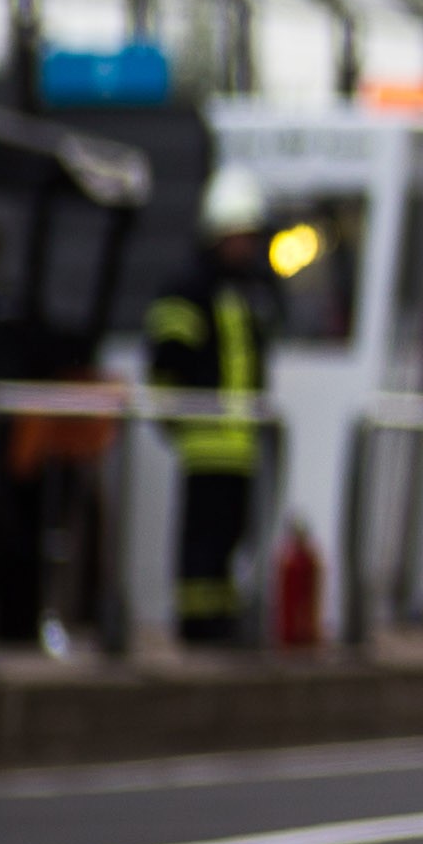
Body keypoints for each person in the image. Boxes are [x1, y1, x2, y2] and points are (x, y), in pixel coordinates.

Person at [145, 168, 276, 648]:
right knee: (203, 537)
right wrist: (171, 416)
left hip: (240, 441)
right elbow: (168, 358)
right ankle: (197, 625)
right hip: (204, 440)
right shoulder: (189, 289)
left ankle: (222, 619)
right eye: (239, 236)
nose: (245, 245)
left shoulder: (245, 290)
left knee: (229, 536)